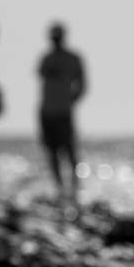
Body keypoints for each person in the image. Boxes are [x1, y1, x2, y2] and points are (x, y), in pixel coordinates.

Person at [36, 21, 86, 205]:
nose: (55, 41)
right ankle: (59, 188)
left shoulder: (73, 59)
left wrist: (72, 99)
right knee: (52, 151)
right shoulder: (46, 59)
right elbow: (41, 77)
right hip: (47, 111)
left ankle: (74, 188)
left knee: (69, 150)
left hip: (64, 112)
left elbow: (82, 83)